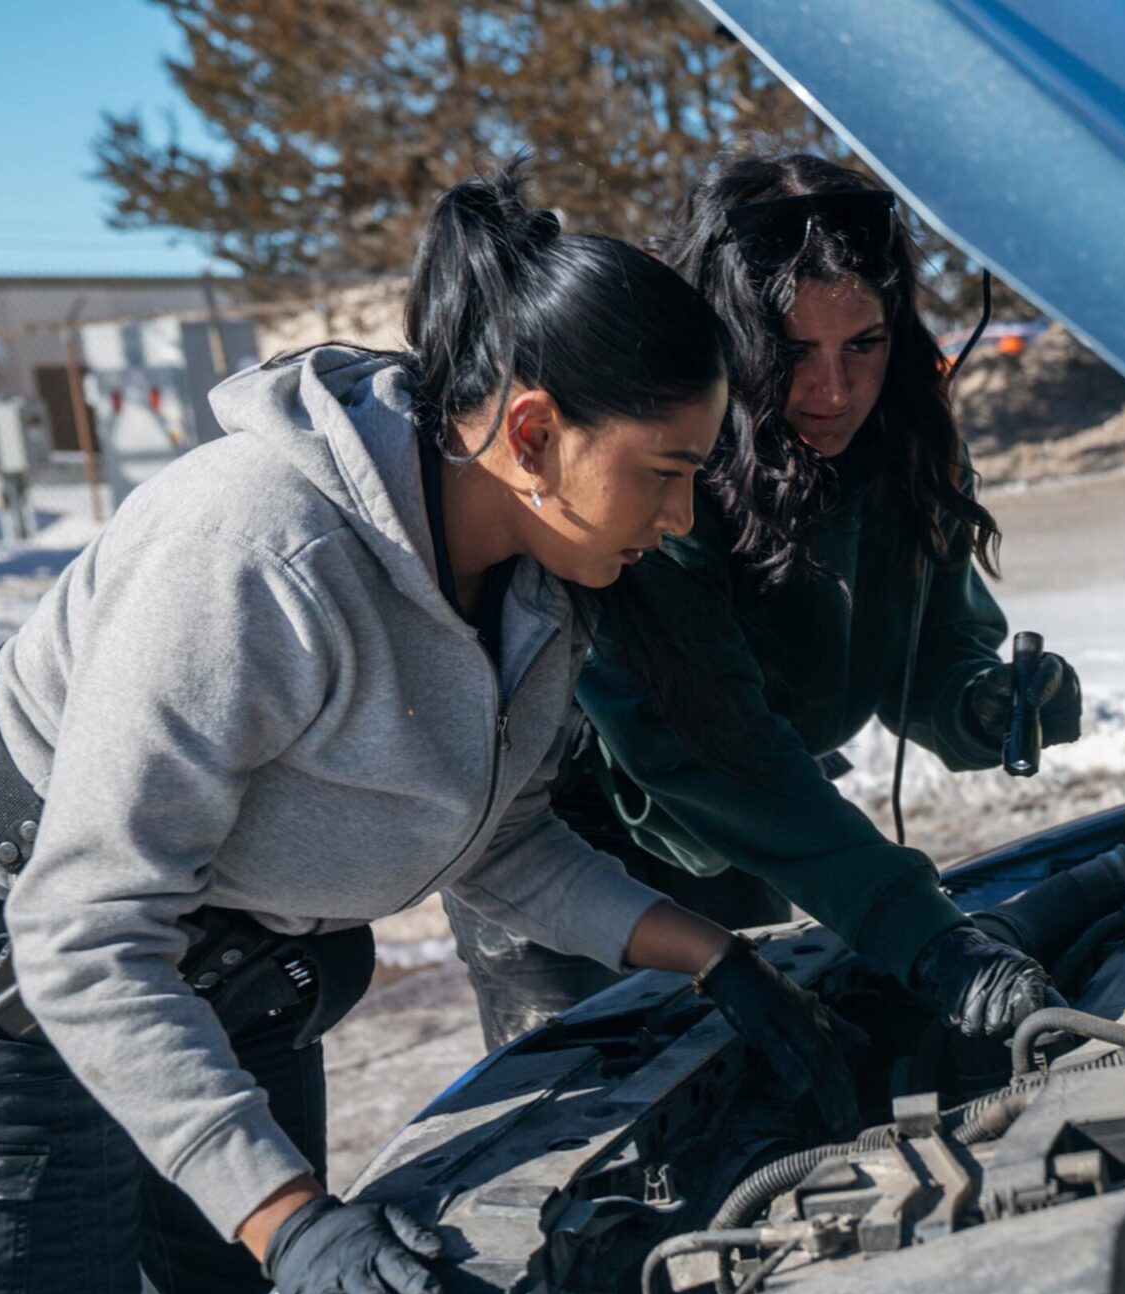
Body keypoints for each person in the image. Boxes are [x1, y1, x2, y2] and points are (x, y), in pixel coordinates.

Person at [0, 160, 859, 1294]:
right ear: (533, 431)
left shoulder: (535, 582)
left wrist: (714, 962)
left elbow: (497, 842)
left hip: (234, 968)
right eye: (667, 472)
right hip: (15, 971)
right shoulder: (254, 558)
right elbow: (82, 933)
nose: (683, 519)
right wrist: (291, 1223)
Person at [447, 153, 1083, 1050]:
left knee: (775, 1076)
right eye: (791, 352)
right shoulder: (654, 481)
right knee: (605, 1118)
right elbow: (706, 744)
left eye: (863, 344)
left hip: (760, 828)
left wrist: (982, 703)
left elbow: (928, 654)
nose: (833, 391)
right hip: (567, 850)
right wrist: (926, 936)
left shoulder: (902, 448)